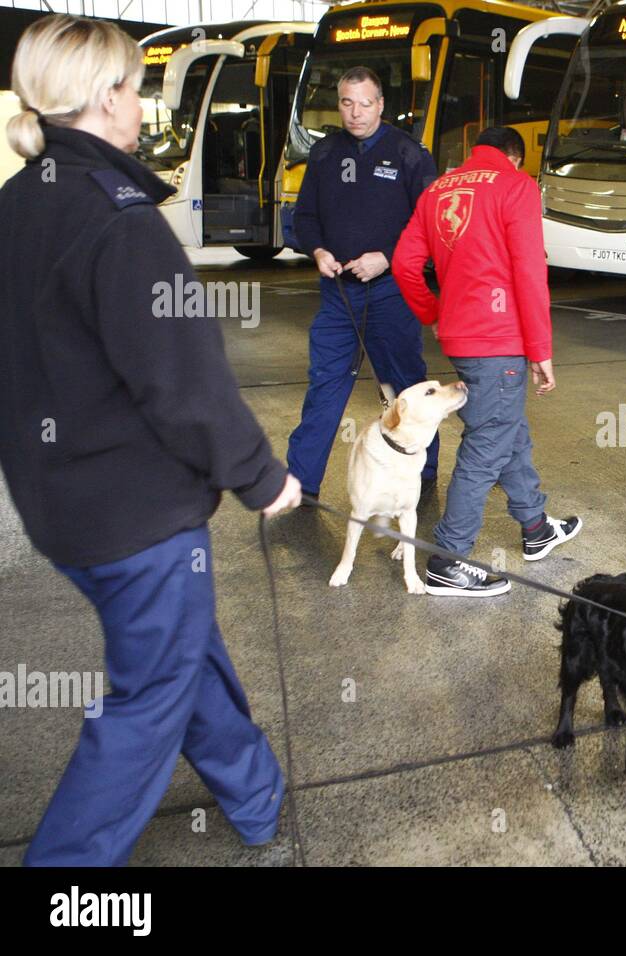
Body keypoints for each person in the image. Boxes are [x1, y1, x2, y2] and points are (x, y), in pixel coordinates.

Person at [0, 15, 300, 865]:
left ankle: (256, 795)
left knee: (183, 654)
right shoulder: (120, 219)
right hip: (135, 519)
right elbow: (182, 379)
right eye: (135, 86)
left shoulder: (18, 203)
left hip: (62, 511)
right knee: (147, 701)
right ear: (106, 98)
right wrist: (258, 473)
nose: (141, 104)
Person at [393, 127, 581, 595]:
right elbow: (530, 272)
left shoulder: (437, 189)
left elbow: (403, 263)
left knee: (507, 429)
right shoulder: (516, 186)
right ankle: (447, 559)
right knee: (486, 445)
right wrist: (541, 350)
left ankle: (536, 528)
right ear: (514, 157)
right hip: (499, 337)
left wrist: (433, 311)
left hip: (461, 335)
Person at [287, 66, 440, 503]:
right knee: (325, 384)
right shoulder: (324, 153)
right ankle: (300, 484)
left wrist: (387, 258)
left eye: (365, 103)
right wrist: (317, 250)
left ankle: (423, 474)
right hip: (338, 295)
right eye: (347, 103)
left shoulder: (410, 154)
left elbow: (428, 225)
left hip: (391, 293)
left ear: (381, 105)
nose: (355, 113)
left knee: (407, 386)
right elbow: (305, 217)